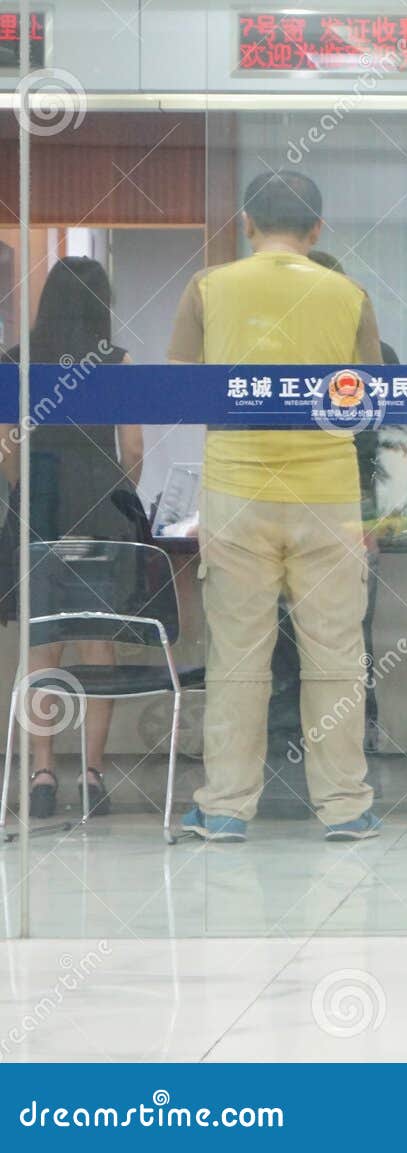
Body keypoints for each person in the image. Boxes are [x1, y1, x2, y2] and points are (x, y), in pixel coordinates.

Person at [167, 170, 382, 843]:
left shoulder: (208, 287)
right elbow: (371, 397)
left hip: (237, 492)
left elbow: (178, 388)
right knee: (337, 657)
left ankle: (227, 805)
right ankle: (346, 806)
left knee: (238, 656)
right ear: (317, 230)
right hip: (329, 498)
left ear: (247, 223)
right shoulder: (350, 294)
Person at [0, 257, 143, 819]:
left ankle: (40, 775)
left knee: (42, 647)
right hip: (100, 511)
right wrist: (116, 496)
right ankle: (91, 776)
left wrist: (26, 491)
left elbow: (6, 449)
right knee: (96, 645)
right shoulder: (116, 362)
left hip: (40, 508)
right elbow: (132, 449)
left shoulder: (15, 361)